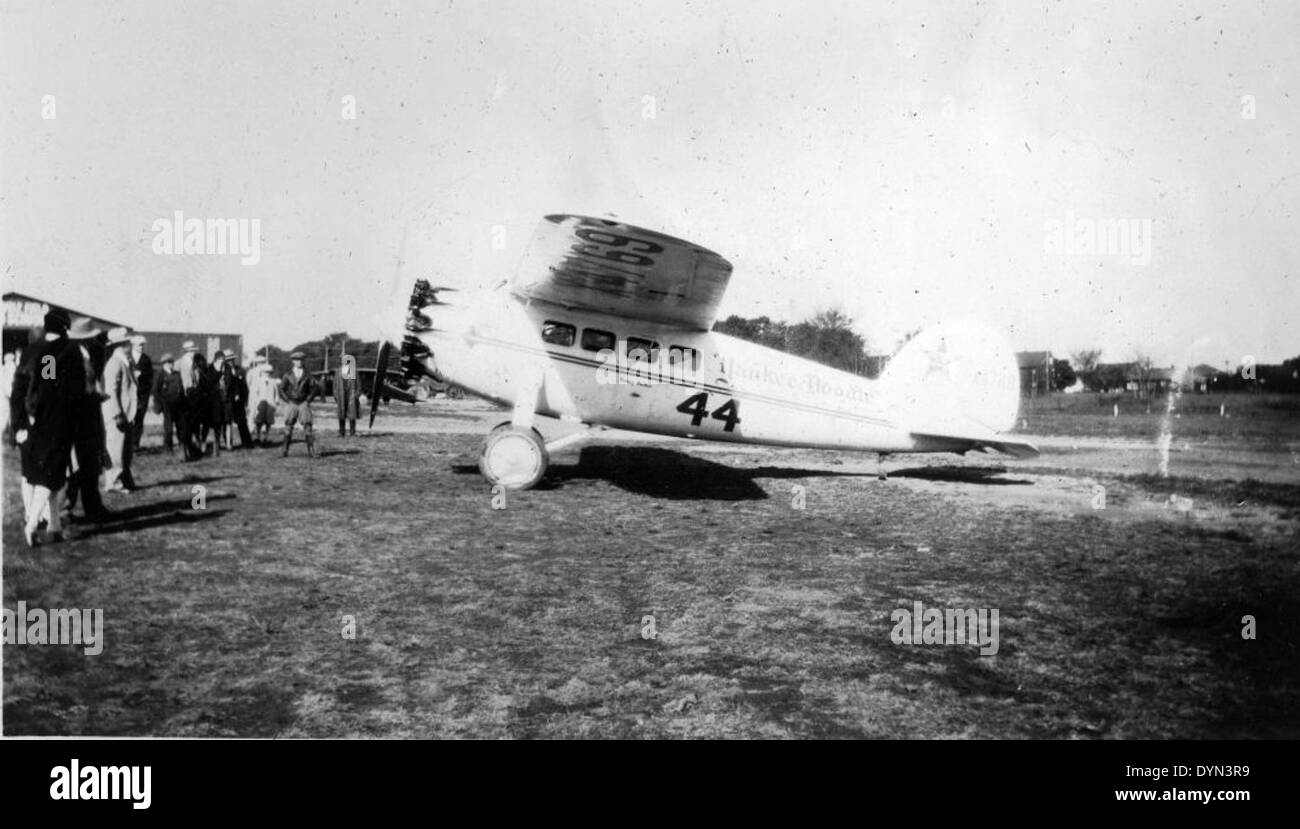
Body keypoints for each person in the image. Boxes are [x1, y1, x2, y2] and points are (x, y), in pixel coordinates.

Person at [11, 308, 85, 545]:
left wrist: (20, 423)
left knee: (43, 475)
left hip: (31, 423)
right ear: (64, 327)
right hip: (55, 423)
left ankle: (53, 525)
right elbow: (50, 388)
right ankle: (32, 524)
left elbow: (18, 391)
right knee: (50, 475)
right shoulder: (61, 352)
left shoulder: (32, 350)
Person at [65, 318, 112, 524]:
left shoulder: (85, 356)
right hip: (78, 420)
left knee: (90, 464)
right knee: (75, 467)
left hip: (88, 417)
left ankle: (93, 506)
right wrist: (93, 396)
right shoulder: (71, 358)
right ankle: (64, 511)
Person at [100, 327, 138, 493]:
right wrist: (117, 413)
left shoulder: (123, 362)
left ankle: (123, 479)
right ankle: (113, 482)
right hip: (117, 414)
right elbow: (110, 390)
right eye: (128, 343)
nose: (130, 345)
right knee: (115, 450)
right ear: (122, 345)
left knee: (124, 449)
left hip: (125, 413)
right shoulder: (115, 363)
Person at [278, 351, 319, 457]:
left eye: (301, 360)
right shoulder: (287, 375)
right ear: (293, 362)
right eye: (297, 360)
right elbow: (281, 389)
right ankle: (284, 450)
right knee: (288, 426)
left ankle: (311, 451)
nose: (299, 362)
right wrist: (287, 400)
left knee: (308, 426)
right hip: (292, 402)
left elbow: (314, 388)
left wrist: (308, 400)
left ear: (304, 361)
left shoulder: (308, 375)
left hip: (303, 403)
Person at [151, 353, 186, 454]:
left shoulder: (176, 374)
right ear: (164, 363)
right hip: (166, 403)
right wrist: (161, 402)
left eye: (172, 362)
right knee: (168, 427)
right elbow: (155, 390)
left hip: (177, 403)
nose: (171, 364)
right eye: (169, 362)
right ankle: (168, 446)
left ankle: (181, 445)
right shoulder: (160, 374)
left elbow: (181, 388)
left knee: (180, 425)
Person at [225, 349, 253, 448]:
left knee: (242, 422)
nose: (230, 362)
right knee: (227, 423)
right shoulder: (224, 371)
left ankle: (247, 443)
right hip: (228, 401)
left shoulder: (240, 370)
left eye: (232, 359)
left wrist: (245, 401)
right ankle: (229, 443)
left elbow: (245, 387)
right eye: (228, 360)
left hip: (239, 401)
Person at [130, 334, 152, 450]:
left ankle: (135, 443)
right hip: (130, 393)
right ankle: (128, 443)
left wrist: (141, 376)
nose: (141, 347)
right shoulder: (128, 357)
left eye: (143, 345)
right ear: (133, 345)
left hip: (142, 394)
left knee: (139, 418)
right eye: (139, 345)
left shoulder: (146, 359)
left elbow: (150, 378)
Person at [248, 355, 276, 445]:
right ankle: (255, 434)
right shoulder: (252, 372)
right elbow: (249, 384)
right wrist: (255, 398)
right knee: (256, 417)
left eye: (262, 361)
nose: (267, 373)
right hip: (258, 399)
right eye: (259, 362)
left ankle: (265, 436)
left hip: (269, 401)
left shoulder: (272, 381)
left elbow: (275, 392)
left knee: (268, 419)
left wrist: (276, 401)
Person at [334, 352, 361, 437]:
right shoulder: (338, 372)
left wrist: (357, 394)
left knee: (352, 415)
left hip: (351, 395)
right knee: (341, 414)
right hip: (341, 395)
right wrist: (336, 396)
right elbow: (334, 385)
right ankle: (341, 432)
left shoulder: (354, 371)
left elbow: (359, 384)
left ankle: (352, 432)